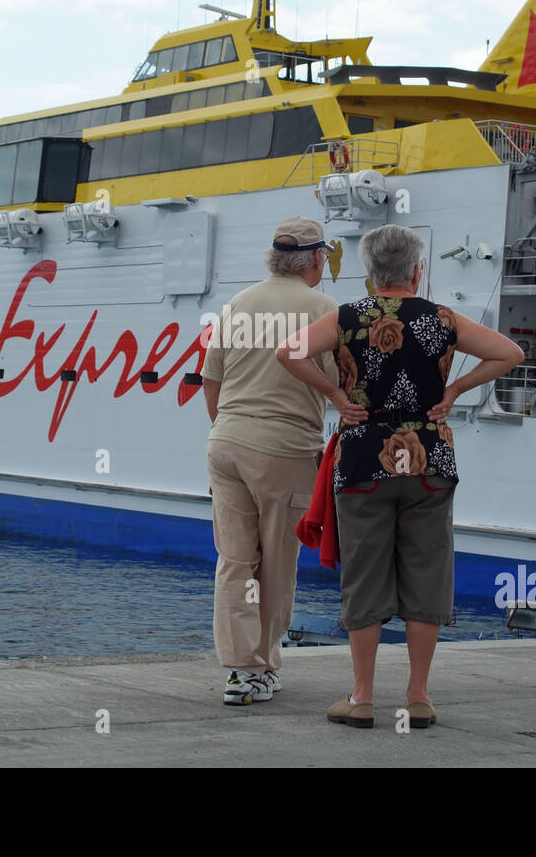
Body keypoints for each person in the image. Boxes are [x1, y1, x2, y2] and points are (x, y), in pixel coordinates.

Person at [276, 224, 523, 728]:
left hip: (364, 456)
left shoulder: (348, 317)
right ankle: (418, 696)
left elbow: (288, 352)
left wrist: (336, 396)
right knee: (427, 571)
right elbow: (510, 354)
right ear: (417, 270)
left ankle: (362, 697)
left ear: (370, 275)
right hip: (429, 458)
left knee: (365, 573)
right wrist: (453, 393)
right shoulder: (443, 319)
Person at [201, 216, 339, 706]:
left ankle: (239, 670)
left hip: (227, 443)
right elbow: (340, 381)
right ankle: (262, 665)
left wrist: (228, 428)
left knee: (236, 560)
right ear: (316, 259)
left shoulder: (237, 304)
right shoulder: (324, 309)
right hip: (285, 450)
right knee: (277, 563)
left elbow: (210, 381)